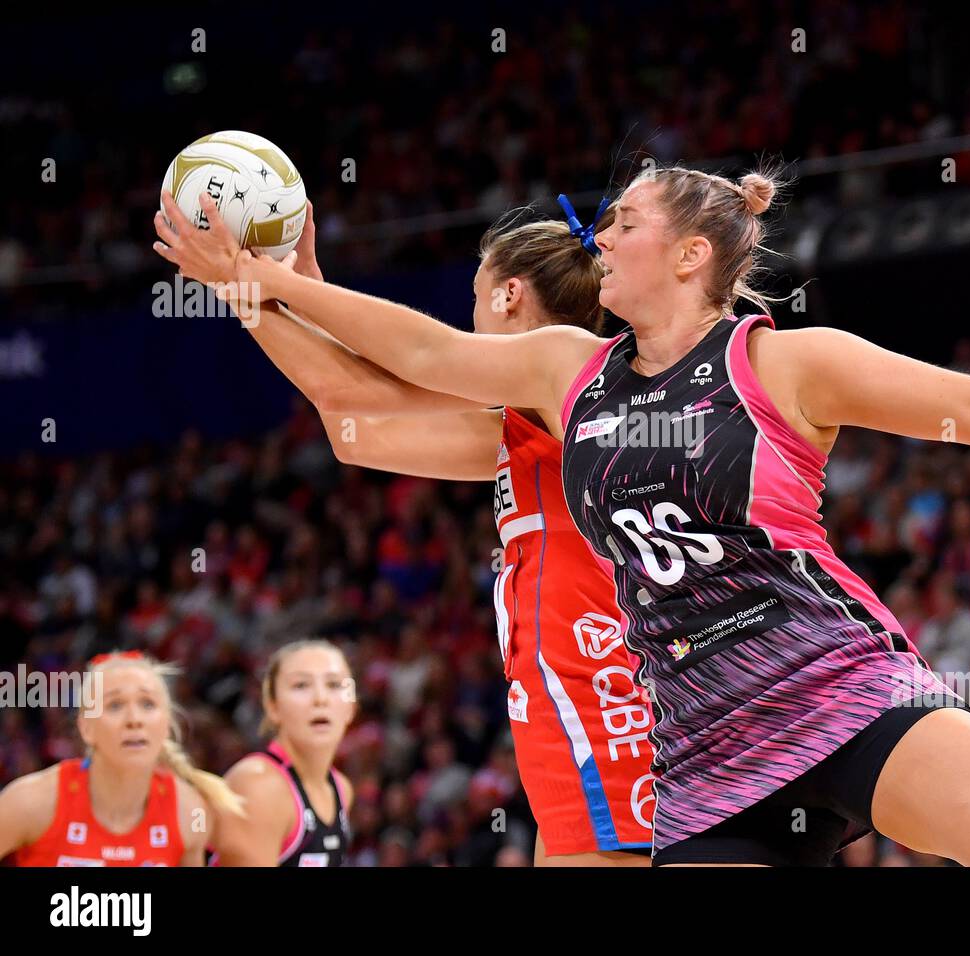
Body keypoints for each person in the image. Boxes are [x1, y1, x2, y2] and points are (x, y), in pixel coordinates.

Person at [159, 164, 970, 866]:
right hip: (700, 741)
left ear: (689, 254)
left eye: (624, 217)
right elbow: (416, 355)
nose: (598, 229)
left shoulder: (787, 362)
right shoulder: (564, 374)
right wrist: (274, 280)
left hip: (832, 684)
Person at [154, 194, 653, 865]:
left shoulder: (579, 379)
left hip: (610, 715)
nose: (468, 319)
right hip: (566, 724)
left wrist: (276, 283)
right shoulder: (526, 427)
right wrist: (253, 294)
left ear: (508, 297)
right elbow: (352, 415)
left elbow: (424, 354)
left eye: (475, 298)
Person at [0, 650, 242, 866]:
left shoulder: (191, 813)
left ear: (167, 724)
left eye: (147, 704)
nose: (134, 719)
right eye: (115, 705)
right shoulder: (30, 802)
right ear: (86, 728)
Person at [211, 640, 356, 866]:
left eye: (334, 685)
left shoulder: (341, 788)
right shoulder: (258, 786)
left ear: (351, 707)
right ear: (272, 706)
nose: (320, 698)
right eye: (301, 685)